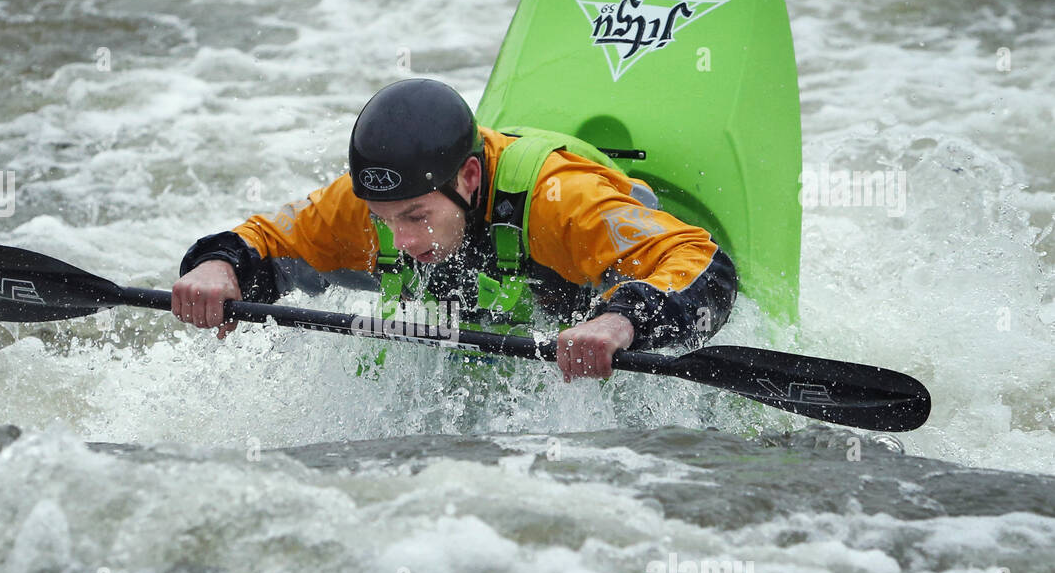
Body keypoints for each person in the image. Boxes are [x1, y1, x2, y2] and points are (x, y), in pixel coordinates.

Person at [171, 78, 736, 382]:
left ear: (468, 177)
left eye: (416, 218)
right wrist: (219, 266)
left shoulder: (561, 203)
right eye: (383, 221)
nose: (404, 242)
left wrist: (621, 321)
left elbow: (704, 264)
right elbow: (262, 240)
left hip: (591, 282)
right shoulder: (373, 200)